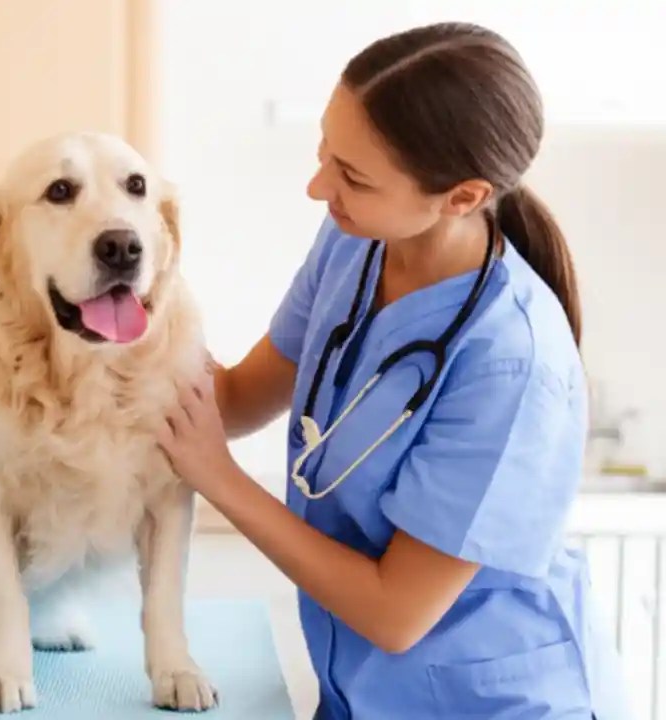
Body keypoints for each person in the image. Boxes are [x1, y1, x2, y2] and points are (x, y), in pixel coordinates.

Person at [157, 22, 629, 719]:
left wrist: (217, 477)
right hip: (362, 696)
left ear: (462, 197)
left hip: (490, 703)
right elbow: (234, 400)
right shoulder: (357, 241)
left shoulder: (512, 363)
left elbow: (394, 611)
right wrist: (125, 331)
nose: (319, 186)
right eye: (325, 151)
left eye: (351, 176)